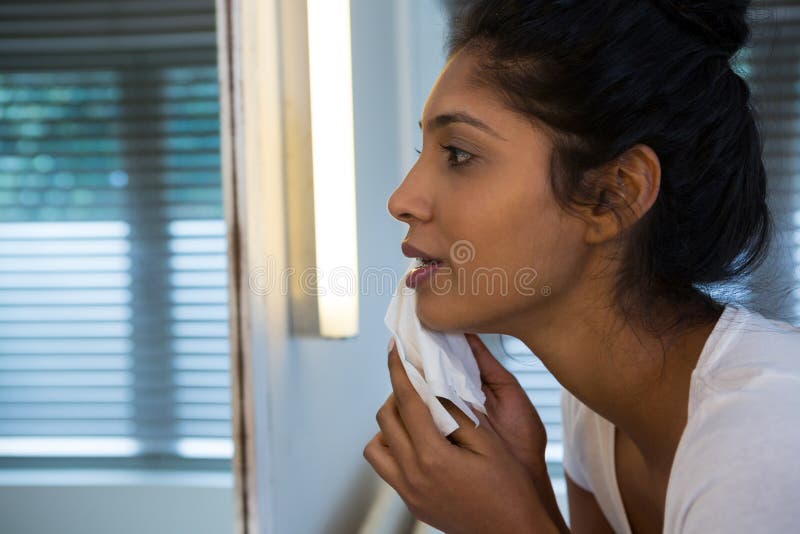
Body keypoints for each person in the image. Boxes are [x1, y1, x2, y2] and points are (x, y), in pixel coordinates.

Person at [362, 1, 800, 532]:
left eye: (457, 153)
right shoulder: (598, 415)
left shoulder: (768, 436)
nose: (402, 199)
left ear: (613, 195)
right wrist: (525, 490)